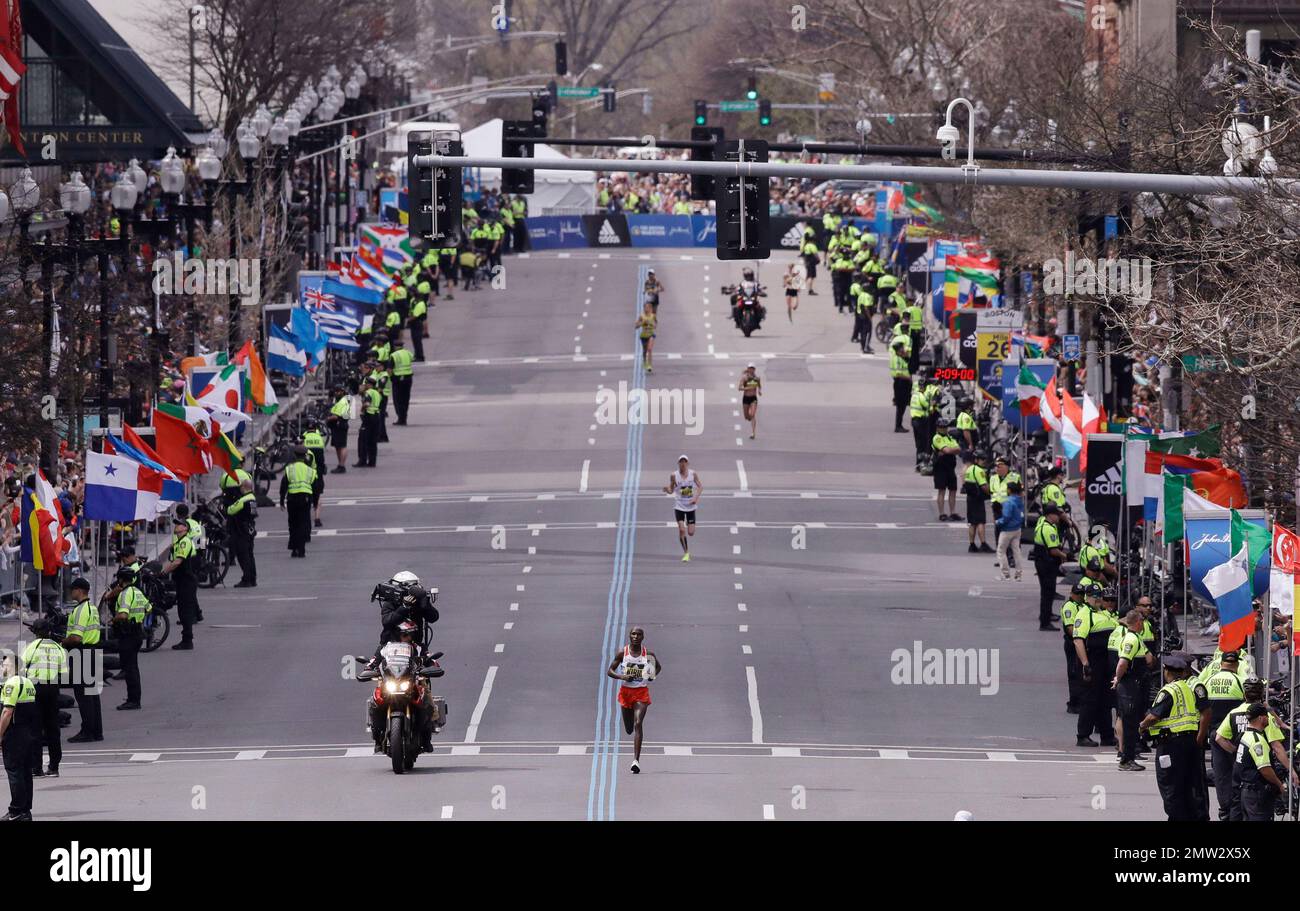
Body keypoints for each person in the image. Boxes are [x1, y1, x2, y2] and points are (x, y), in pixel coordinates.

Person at [1139, 654, 1211, 821]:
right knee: (1186, 783)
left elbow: (1154, 716)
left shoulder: (1170, 690)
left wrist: (1142, 726)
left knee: (1169, 783)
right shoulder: (1186, 688)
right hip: (1188, 742)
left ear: (1167, 671)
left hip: (1171, 744)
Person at [1214, 678, 1299, 820]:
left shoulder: (1234, 713)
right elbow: (1277, 747)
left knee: (1237, 811)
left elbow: (1219, 738)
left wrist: (1236, 752)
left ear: (1244, 694)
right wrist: (1291, 770)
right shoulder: (1264, 717)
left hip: (1239, 771)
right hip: (1259, 773)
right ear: (1261, 693)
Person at [606, 627, 661, 774]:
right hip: (626, 693)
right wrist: (622, 677)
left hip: (641, 693)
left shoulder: (648, 654)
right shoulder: (622, 653)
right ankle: (634, 753)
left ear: (643, 637)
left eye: (639, 634)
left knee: (638, 723)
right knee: (629, 728)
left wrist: (651, 676)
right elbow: (609, 671)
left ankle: (636, 761)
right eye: (633, 634)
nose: (636, 636)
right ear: (630, 636)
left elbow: (658, 667)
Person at [19, 618, 67, 777]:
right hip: (53, 689)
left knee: (35, 729)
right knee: (53, 727)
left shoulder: (31, 647)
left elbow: (21, 667)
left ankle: (36, 768)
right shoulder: (58, 648)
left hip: (36, 689)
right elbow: (64, 672)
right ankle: (54, 767)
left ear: (35, 632)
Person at [1072, 584, 1116, 745]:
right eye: (1096, 597)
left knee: (1105, 700)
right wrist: (1085, 664)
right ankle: (1083, 735)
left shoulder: (1102, 613)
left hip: (1105, 663)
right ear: (1088, 596)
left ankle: (1107, 735)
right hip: (1092, 662)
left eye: (1100, 597)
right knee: (1089, 700)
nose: (1099, 600)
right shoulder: (1084, 614)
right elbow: (1078, 640)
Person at [61, 577, 103, 741]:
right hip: (94, 651)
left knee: (83, 695)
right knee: (93, 694)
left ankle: (87, 731)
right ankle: (97, 731)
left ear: (79, 590)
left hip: (82, 653)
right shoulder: (92, 608)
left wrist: (63, 641)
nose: (71, 592)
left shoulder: (80, 610)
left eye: (73, 589)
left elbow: (76, 638)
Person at [1112, 609, 1154, 771]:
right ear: (1137, 622)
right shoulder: (1131, 639)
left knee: (1132, 722)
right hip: (1129, 685)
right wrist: (1118, 678)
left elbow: (1148, 658)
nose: (1143, 623)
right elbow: (1123, 663)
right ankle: (1126, 759)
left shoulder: (1136, 637)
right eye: (1142, 621)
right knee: (1129, 724)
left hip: (1133, 685)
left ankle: (1128, 758)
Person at [1231, 705, 1283, 822]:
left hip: (1246, 792)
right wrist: (1279, 784)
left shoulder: (1244, 736)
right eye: (1266, 716)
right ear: (1261, 718)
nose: (1268, 719)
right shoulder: (1257, 741)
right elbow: (1265, 769)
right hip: (1256, 795)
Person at [107, 568, 148, 710]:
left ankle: (133, 700)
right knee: (133, 667)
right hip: (137, 633)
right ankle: (134, 698)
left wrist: (113, 619)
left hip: (128, 634)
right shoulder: (137, 592)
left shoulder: (125, 594)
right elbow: (148, 608)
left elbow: (123, 615)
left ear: (121, 580)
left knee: (129, 669)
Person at [0, 669, 37, 820]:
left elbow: (7, 711)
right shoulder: (28, 683)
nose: (2, 667)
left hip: (14, 733)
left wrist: (0, 734)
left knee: (14, 771)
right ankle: (26, 810)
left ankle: (16, 810)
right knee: (26, 771)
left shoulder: (11, 684)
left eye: (5, 664)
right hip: (27, 731)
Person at [162, 517, 200, 651]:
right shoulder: (178, 542)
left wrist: (164, 572)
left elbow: (177, 562)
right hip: (181, 580)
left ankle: (187, 641)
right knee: (182, 610)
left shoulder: (185, 542)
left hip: (187, 581)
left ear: (185, 529)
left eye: (179, 525)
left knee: (185, 611)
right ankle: (186, 639)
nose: (176, 526)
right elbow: (172, 560)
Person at [1030, 506, 1066, 632]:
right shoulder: (1048, 529)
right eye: (1057, 515)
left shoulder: (1042, 523)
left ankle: (1046, 616)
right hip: (1047, 563)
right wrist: (1065, 556)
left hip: (1042, 561)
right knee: (1048, 593)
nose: (1058, 517)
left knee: (1046, 592)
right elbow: (1053, 550)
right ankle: (1045, 622)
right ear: (1050, 515)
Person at [280, 446, 318, 559]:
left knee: (293, 524)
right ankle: (301, 550)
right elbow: (315, 489)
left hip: (292, 498)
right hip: (305, 499)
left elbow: (284, 485)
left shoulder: (289, 469)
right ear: (305, 456)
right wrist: (315, 503)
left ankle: (294, 549)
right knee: (303, 523)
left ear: (295, 456)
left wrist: (282, 500)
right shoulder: (311, 471)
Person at [1059, 580, 1089, 713]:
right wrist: (1080, 638)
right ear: (1071, 593)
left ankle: (1081, 700)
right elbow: (1070, 628)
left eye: (1082, 594)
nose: (1080, 596)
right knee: (1074, 672)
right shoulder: (1069, 606)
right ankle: (1074, 703)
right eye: (1077, 594)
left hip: (1083, 642)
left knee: (1082, 671)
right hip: (1073, 642)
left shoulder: (1084, 606)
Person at [664, 455, 701, 563]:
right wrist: (667, 490)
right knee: (681, 530)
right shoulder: (673, 475)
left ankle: (690, 525)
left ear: (688, 463)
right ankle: (686, 553)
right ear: (678, 463)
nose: (683, 464)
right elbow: (671, 490)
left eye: (685, 462)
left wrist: (695, 498)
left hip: (690, 506)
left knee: (691, 532)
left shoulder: (693, 474)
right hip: (679, 506)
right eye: (681, 462)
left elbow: (700, 487)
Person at [226, 479, 258, 586]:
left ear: (244, 487)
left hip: (241, 531)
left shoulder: (243, 500)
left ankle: (246, 579)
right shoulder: (253, 498)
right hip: (250, 529)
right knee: (250, 555)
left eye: (241, 487)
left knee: (243, 555)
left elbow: (230, 510)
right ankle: (252, 578)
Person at [994, 480, 1024, 581]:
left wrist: (998, 522)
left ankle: (1005, 574)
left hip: (1007, 530)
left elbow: (1006, 517)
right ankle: (1018, 575)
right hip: (1017, 529)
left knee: (1001, 551)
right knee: (1016, 551)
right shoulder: (1020, 500)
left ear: (1009, 490)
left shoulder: (1008, 502)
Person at [962, 451, 992, 553]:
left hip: (970, 498)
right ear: (976, 460)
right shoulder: (979, 471)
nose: (984, 461)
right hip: (978, 499)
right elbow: (984, 486)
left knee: (972, 523)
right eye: (982, 459)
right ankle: (983, 544)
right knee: (980, 522)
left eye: (985, 459)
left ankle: (972, 544)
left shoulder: (969, 469)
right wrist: (991, 493)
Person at [931, 419, 960, 522]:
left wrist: (949, 451)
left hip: (950, 467)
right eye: (942, 427)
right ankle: (942, 513)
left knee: (953, 490)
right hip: (940, 468)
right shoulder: (937, 438)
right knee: (941, 490)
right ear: (938, 428)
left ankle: (953, 512)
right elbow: (947, 450)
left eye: (945, 427)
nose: (944, 429)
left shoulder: (950, 437)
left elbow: (958, 449)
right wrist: (951, 450)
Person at [302, 423, 328, 528]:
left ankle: (306, 516)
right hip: (317, 473)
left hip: (306, 473)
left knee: (306, 495)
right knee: (318, 495)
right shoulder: (319, 438)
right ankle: (317, 518)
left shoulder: (304, 438)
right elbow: (321, 459)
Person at [355, 377, 381, 468]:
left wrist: (362, 410)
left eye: (365, 384)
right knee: (372, 441)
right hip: (376, 417)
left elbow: (367, 404)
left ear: (369, 384)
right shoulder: (376, 393)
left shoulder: (368, 393)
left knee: (362, 439)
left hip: (368, 417)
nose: (364, 385)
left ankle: (362, 460)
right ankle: (372, 461)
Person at [889, 334, 912, 433]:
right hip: (901, 383)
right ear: (898, 349)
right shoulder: (897, 359)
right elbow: (898, 374)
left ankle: (899, 425)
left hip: (903, 384)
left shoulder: (900, 357)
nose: (904, 349)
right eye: (902, 348)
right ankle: (898, 426)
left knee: (904, 404)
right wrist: (908, 378)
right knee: (901, 406)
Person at [326, 386, 351, 473]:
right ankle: (340, 464)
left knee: (342, 446)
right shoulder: (341, 401)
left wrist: (328, 419)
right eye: (335, 391)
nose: (336, 393)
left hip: (340, 426)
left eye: (338, 391)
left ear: (342, 392)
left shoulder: (343, 402)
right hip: (338, 426)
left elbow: (336, 416)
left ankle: (342, 465)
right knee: (338, 446)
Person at [390, 344, 415, 426]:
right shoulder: (408, 353)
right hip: (408, 378)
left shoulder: (394, 355)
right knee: (406, 399)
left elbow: (389, 369)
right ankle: (404, 417)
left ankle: (401, 418)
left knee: (398, 400)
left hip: (398, 380)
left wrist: (391, 378)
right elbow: (413, 359)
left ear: (395, 347)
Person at [738, 364, 761, 440]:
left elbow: (759, 386)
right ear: (748, 369)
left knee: (753, 414)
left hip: (753, 398)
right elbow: (739, 388)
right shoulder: (745, 378)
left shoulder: (757, 378)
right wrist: (747, 388)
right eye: (750, 368)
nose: (752, 370)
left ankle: (753, 433)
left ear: (754, 369)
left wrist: (759, 391)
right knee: (747, 417)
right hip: (746, 399)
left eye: (753, 368)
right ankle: (749, 418)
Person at [635, 301, 656, 374]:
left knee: (649, 349)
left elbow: (655, 324)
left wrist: (653, 325)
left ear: (650, 308)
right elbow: (636, 326)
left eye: (648, 307)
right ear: (643, 308)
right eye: (645, 307)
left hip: (651, 335)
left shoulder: (653, 316)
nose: (646, 309)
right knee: (645, 351)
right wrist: (641, 323)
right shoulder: (641, 316)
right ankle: (644, 362)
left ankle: (649, 365)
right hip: (644, 336)